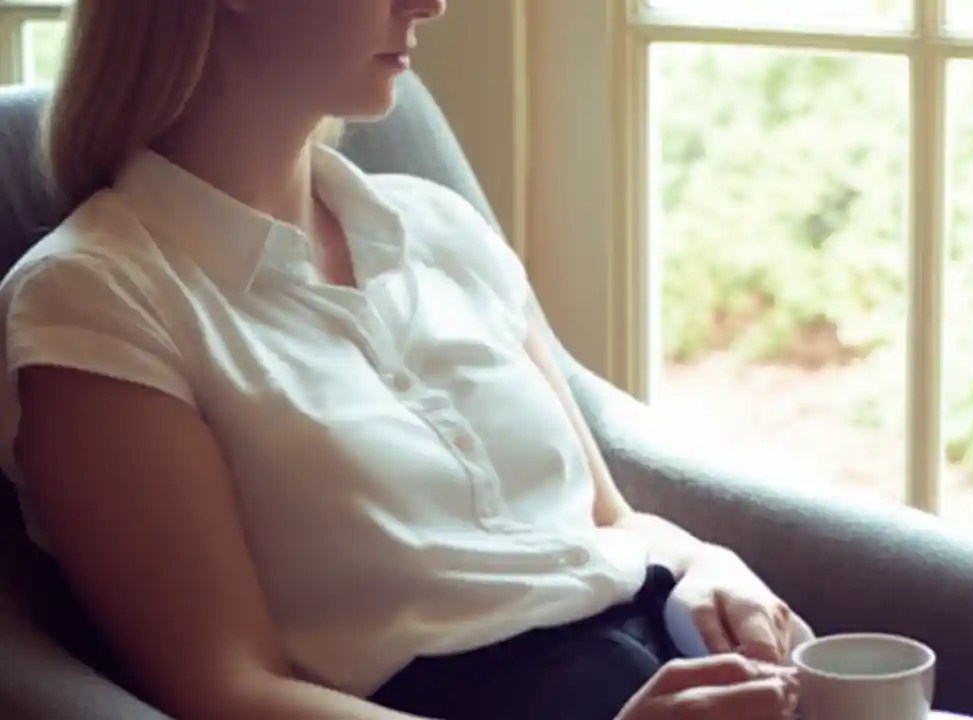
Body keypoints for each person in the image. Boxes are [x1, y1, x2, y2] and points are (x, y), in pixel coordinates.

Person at [0, 1, 816, 719]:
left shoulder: (439, 230)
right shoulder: (97, 300)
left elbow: (611, 522)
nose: (431, 4)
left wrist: (709, 564)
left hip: (668, 653)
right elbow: (227, 690)